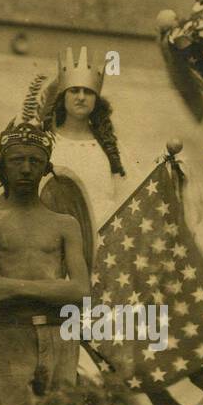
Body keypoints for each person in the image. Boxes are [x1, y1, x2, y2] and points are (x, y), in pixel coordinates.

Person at [0, 91, 89, 405]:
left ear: (45, 168)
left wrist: (17, 286)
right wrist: (52, 291)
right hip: (10, 336)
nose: (25, 169)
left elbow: (81, 292)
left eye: (35, 162)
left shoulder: (65, 223)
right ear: (2, 166)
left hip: (59, 338)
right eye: (17, 160)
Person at [40, 46, 129, 253]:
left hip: (103, 245)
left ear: (96, 99)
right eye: (74, 91)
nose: (81, 97)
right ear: (63, 96)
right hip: (53, 245)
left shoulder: (110, 148)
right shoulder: (46, 142)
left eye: (88, 92)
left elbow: (127, 193)